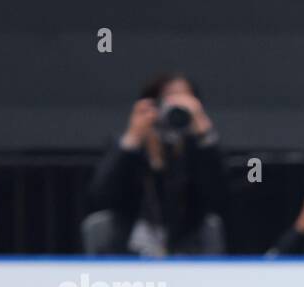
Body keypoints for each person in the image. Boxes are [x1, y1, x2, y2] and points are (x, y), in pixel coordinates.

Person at [83, 72, 228, 256]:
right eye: (169, 98)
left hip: (188, 248)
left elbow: (219, 198)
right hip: (131, 248)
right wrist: (132, 139)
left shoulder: (197, 149)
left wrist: (204, 134)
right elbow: (100, 196)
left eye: (184, 100)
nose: (175, 105)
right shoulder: (132, 147)